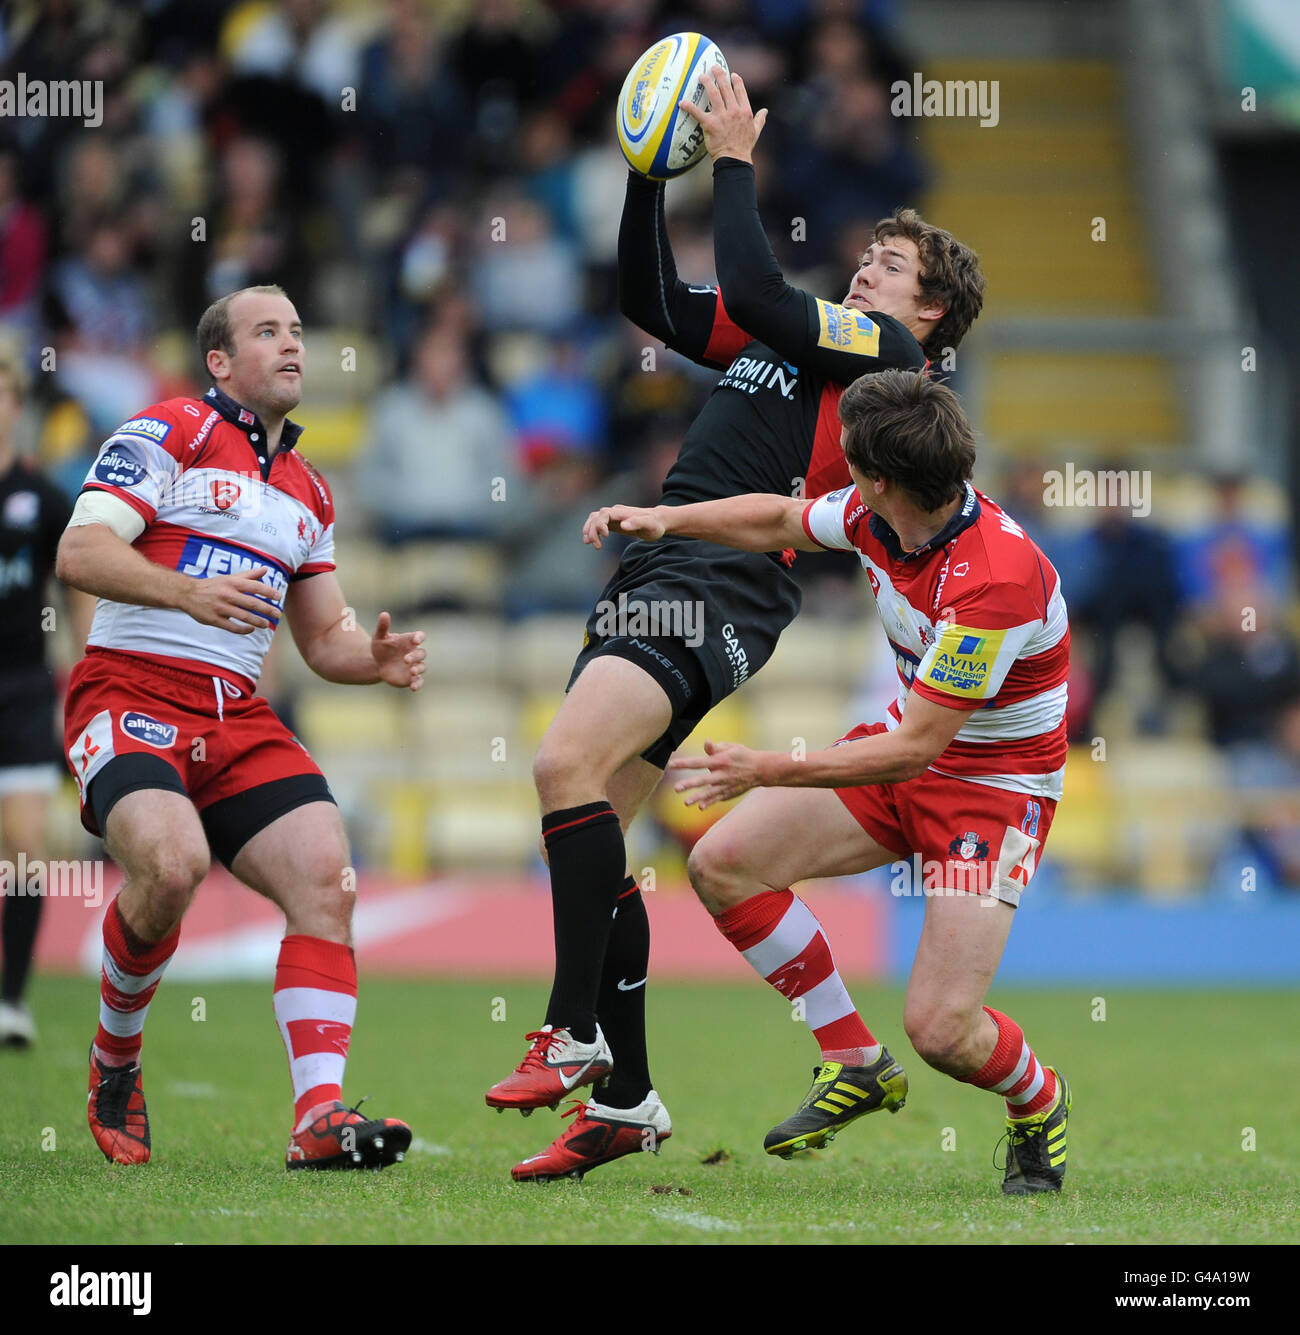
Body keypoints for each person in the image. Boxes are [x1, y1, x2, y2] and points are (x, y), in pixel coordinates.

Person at [490, 66, 985, 1183]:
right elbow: (654, 305)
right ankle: (625, 1099)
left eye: (890, 265)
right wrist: (637, 174)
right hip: (662, 560)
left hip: (724, 580)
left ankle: (571, 1033)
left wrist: (728, 155)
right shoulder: (804, 341)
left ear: (930, 311)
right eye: (867, 255)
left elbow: (759, 294)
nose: (865, 265)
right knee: (593, 817)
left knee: (562, 759)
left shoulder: (887, 359)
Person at [583, 369, 1072, 1195]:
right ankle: (854, 1057)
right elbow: (777, 516)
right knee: (724, 864)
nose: (836, 467)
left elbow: (917, 749)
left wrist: (767, 765)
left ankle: (1040, 1100)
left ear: (880, 480)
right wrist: (666, 518)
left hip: (990, 794)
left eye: (847, 457)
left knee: (944, 1029)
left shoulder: (996, 579)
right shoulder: (886, 512)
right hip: (907, 750)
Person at [55, 284, 426, 1170]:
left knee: (328, 883)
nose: (293, 345)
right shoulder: (170, 430)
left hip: (234, 714)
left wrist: (369, 661)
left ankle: (320, 1116)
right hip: (129, 691)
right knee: (173, 864)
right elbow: (80, 550)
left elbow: (323, 637)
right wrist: (189, 591)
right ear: (219, 361)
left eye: (298, 330)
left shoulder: (308, 490)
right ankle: (116, 1056)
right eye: (269, 332)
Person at [0, 349, 91, 1047]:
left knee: (26, 847)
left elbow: (79, 583)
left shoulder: (43, 497)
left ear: (17, 403)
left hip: (26, 690)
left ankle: (12, 1000)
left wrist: (87, 669)